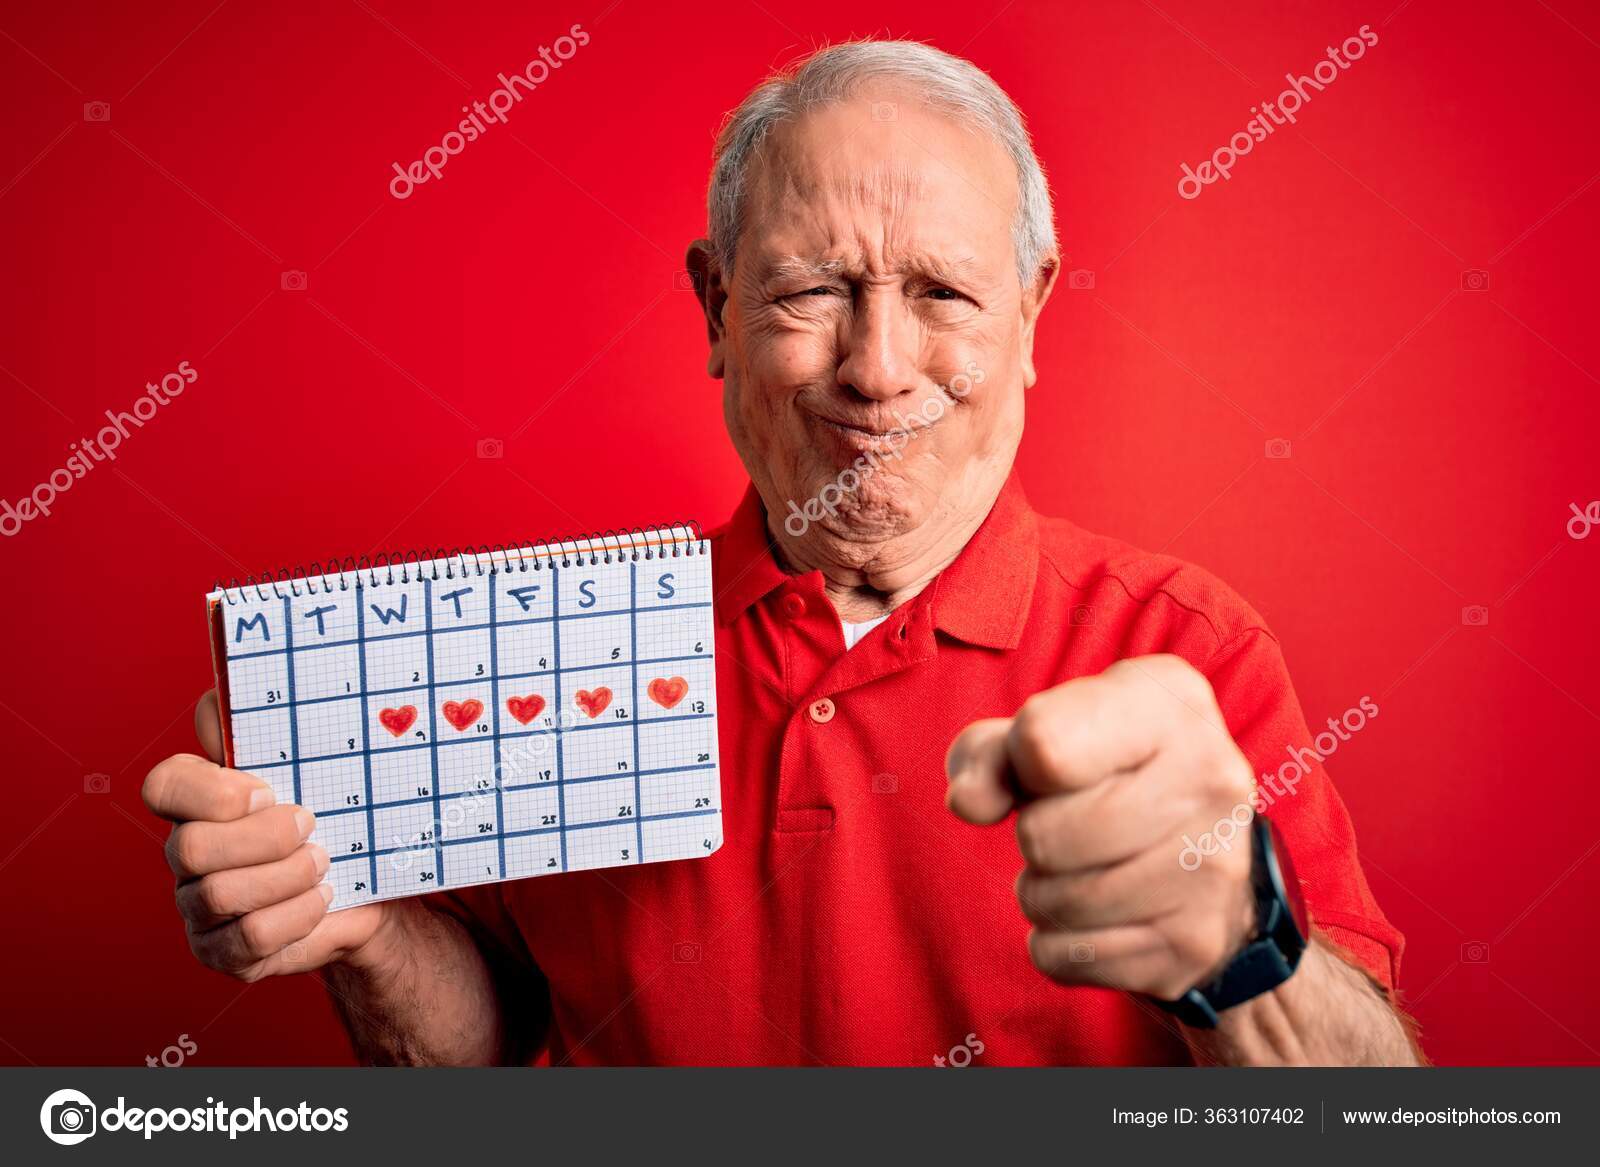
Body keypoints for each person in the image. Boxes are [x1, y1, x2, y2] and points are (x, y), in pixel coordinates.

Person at [143, 39, 1418, 1065]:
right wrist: (362, 929)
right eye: (812, 291)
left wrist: (1241, 953)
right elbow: (490, 1049)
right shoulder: (560, 652)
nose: (875, 368)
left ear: (1029, 317)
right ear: (715, 307)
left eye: (942, 294)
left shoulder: (1183, 650)